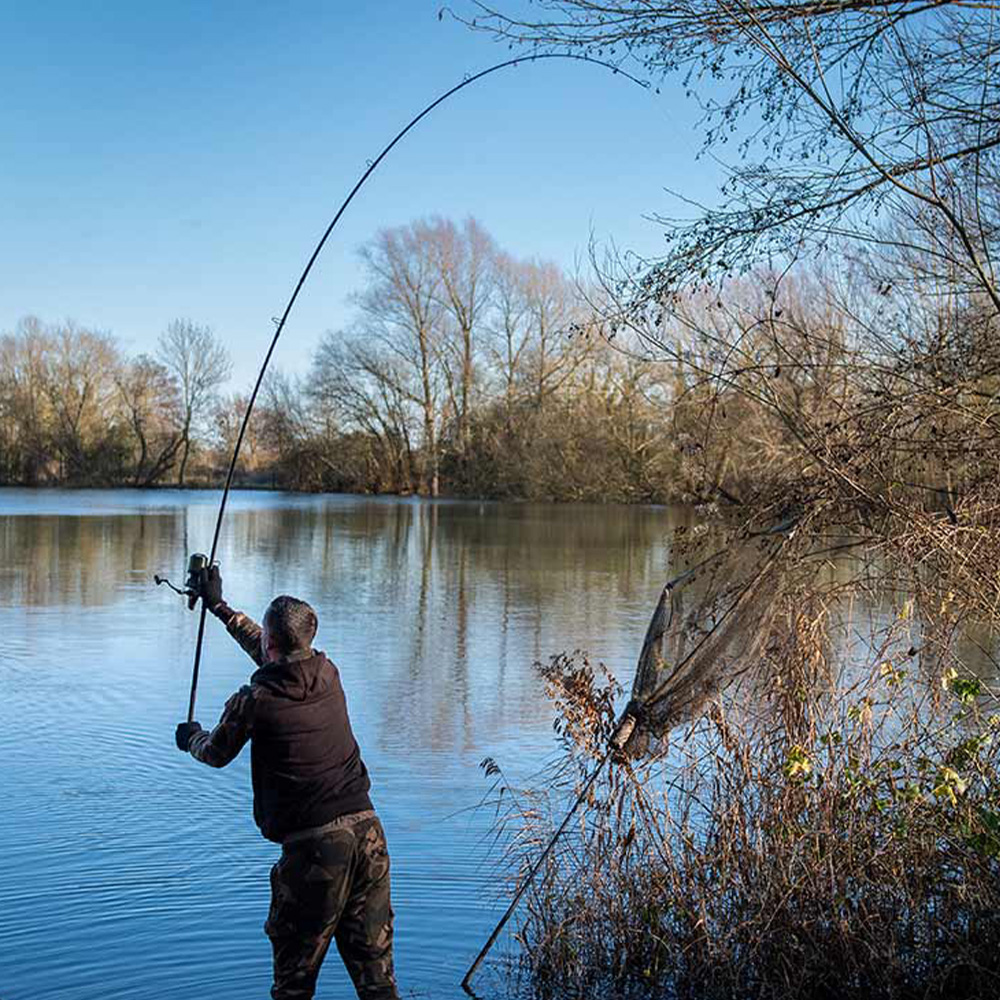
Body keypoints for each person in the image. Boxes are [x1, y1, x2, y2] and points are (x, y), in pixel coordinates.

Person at [174, 565, 400, 1000]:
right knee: (377, 982)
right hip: (370, 836)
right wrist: (219, 607)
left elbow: (216, 753)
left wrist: (191, 739)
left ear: (272, 643)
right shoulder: (326, 673)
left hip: (317, 849)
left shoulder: (256, 700)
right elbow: (272, 652)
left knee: (293, 986)